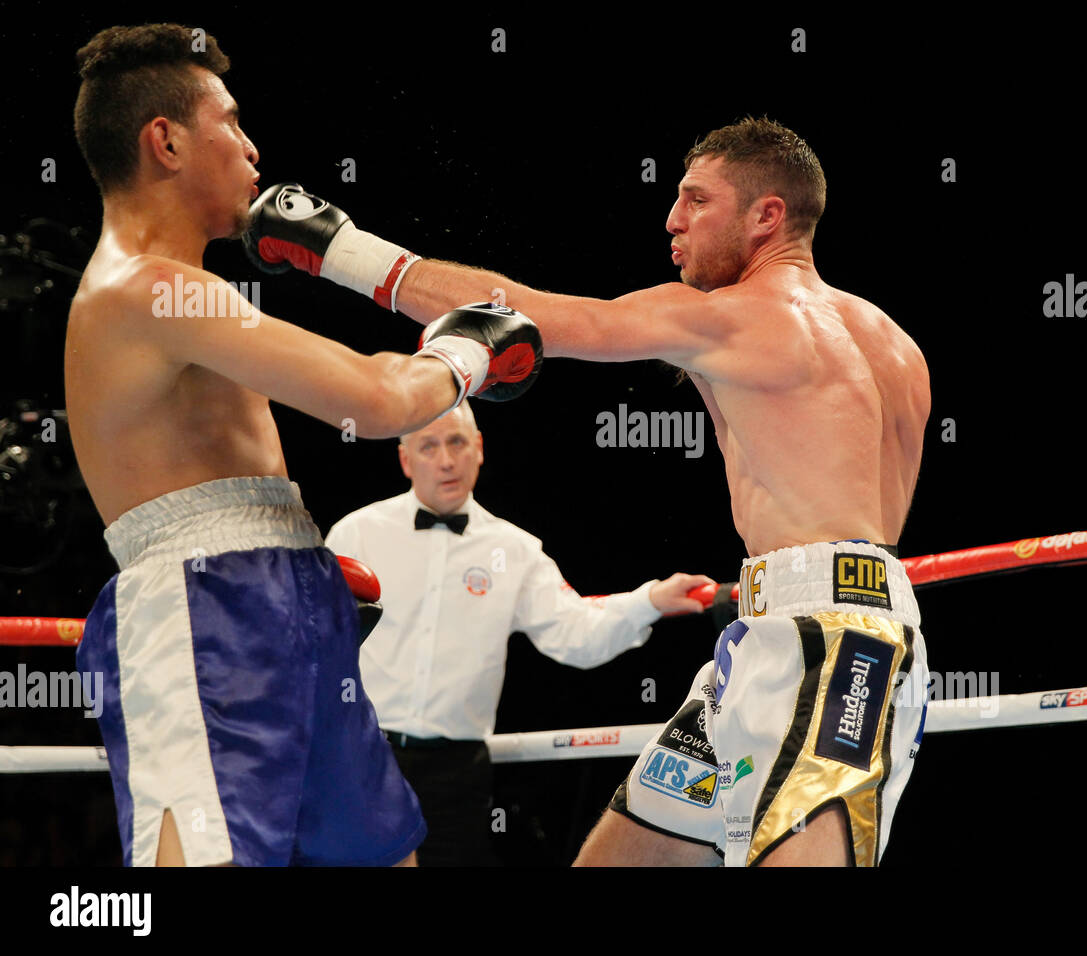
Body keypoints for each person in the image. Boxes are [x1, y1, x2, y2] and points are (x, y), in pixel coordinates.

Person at [245, 116, 931, 867]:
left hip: (837, 647)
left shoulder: (731, 318)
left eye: (698, 200)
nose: (672, 219)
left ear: (767, 215)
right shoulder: (897, 346)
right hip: (773, 636)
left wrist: (343, 251)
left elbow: (525, 314)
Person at [64, 23, 540, 867]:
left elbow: (382, 371)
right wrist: (468, 352)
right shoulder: (146, 289)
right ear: (165, 140)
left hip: (295, 592)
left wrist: (385, 284)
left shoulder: (188, 293)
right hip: (202, 603)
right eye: (234, 123)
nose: (253, 150)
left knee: (381, 856)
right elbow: (382, 399)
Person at [322, 402, 714, 864]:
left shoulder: (515, 549)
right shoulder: (357, 533)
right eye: (428, 446)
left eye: (457, 442)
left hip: (457, 772)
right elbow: (316, 647)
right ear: (406, 459)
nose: (446, 460)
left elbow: (575, 632)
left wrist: (649, 600)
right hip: (362, 749)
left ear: (479, 448)